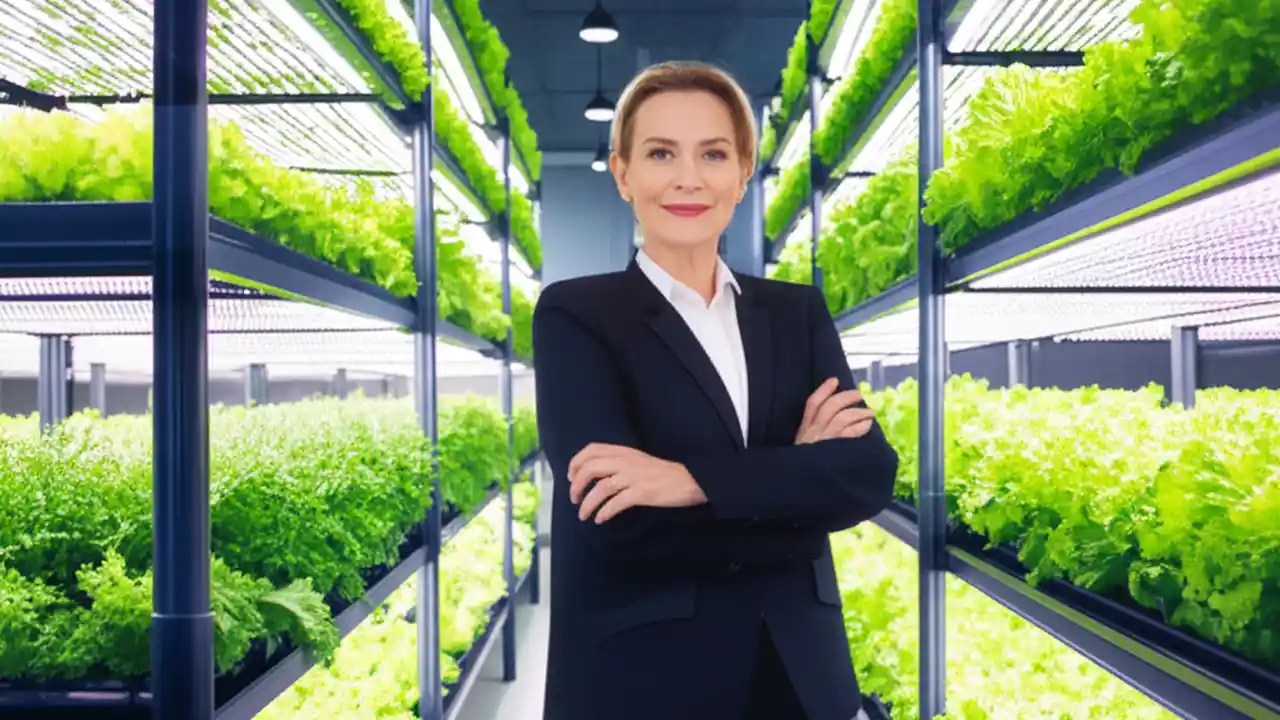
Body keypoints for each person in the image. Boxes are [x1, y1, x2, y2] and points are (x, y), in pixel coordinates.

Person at [531, 60, 899, 720]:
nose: (688, 178)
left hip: (799, 679)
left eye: (713, 154)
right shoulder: (577, 314)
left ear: (743, 172)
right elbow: (621, 524)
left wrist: (687, 481)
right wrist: (798, 487)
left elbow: (867, 474)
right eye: (661, 153)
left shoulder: (796, 313)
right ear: (623, 173)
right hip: (645, 685)